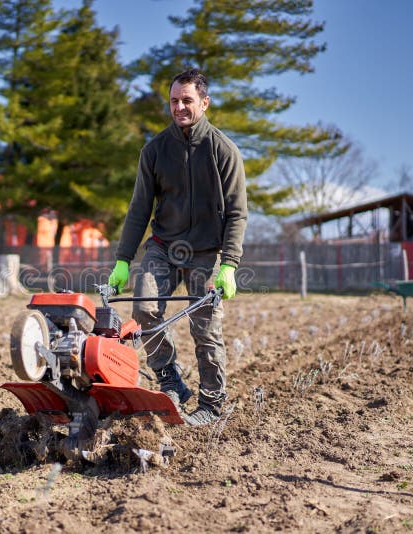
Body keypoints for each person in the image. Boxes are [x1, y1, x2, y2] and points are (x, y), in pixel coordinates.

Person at [108, 68, 248, 426]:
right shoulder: (155, 150)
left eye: (187, 100)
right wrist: (123, 260)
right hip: (163, 247)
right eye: (174, 100)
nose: (180, 107)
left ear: (204, 102)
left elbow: (237, 212)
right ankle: (170, 379)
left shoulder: (223, 151)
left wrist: (229, 264)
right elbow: (139, 208)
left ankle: (212, 405)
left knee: (206, 329)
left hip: (206, 252)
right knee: (143, 308)